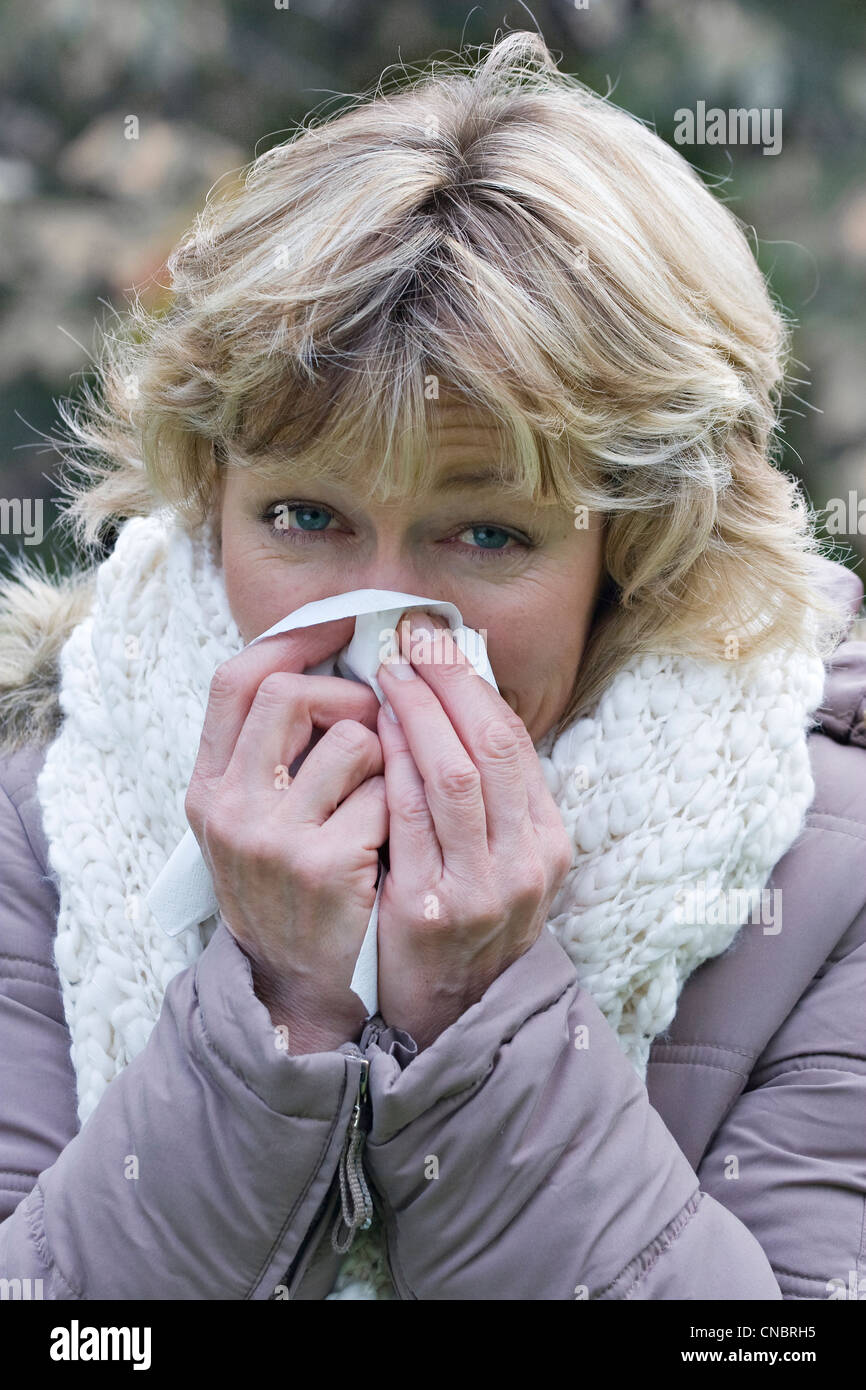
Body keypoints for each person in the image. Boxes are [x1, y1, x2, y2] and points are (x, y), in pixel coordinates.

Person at [1, 32, 864, 1302]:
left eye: (487, 531)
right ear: (209, 497)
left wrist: (480, 1010)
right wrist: (277, 1003)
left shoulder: (826, 871)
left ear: (634, 555)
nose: (379, 612)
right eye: (303, 517)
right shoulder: (41, 803)